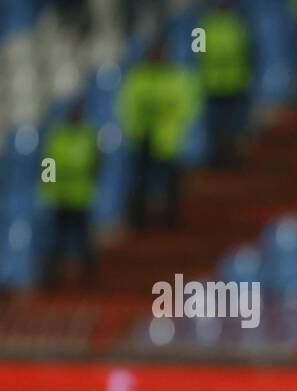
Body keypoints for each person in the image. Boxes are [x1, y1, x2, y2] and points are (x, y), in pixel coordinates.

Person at [118, 37, 201, 229]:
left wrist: (175, 125)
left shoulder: (177, 79)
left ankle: (171, 218)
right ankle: (138, 220)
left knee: (171, 183)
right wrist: (134, 127)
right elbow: (126, 106)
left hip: (168, 138)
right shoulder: (137, 78)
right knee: (139, 182)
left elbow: (187, 107)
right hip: (142, 137)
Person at [39, 99, 98, 286]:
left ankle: (88, 273)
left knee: (83, 236)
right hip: (61, 196)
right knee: (56, 236)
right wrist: (49, 189)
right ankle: (53, 272)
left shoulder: (88, 136)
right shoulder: (57, 136)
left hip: (81, 195)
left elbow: (95, 164)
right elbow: (48, 162)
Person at [198, 0, 253, 167]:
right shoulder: (202, 26)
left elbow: (249, 49)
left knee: (233, 123)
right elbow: (196, 53)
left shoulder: (239, 23)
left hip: (235, 81)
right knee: (214, 123)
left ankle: (231, 154)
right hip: (211, 83)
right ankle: (216, 154)